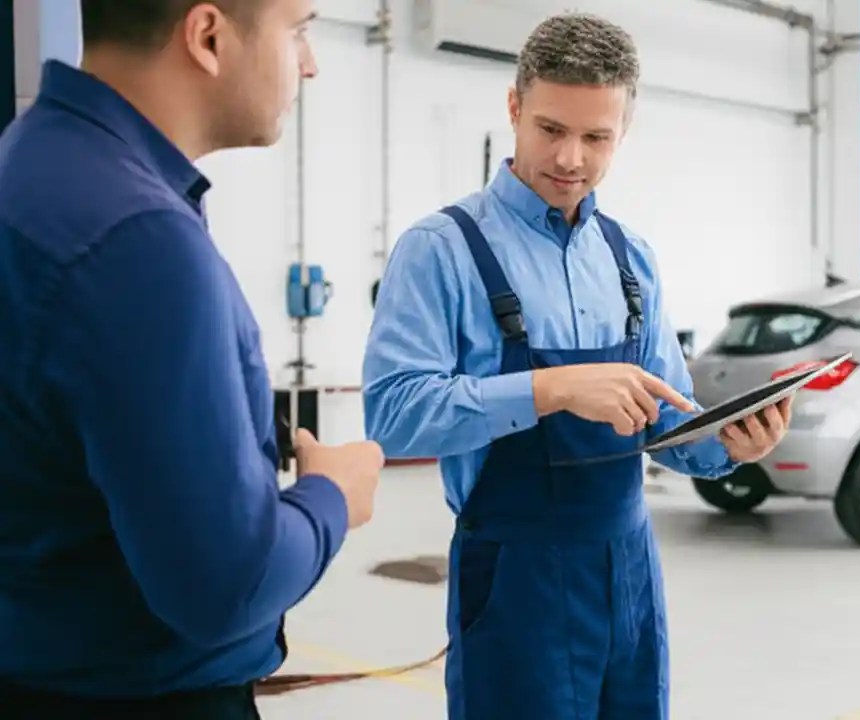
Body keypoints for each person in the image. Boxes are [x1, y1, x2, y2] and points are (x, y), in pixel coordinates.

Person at [363, 12, 792, 719]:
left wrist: (727, 447)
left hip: (629, 572)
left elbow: (669, 418)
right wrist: (551, 388)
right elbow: (393, 417)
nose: (571, 159)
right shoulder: (440, 249)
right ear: (514, 108)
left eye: (597, 138)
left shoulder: (631, 259)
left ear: (625, 130)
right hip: (514, 581)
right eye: (551, 129)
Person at [0, 1, 384, 717]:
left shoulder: (30, 167)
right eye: (298, 30)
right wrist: (333, 496)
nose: (310, 62)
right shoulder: (137, 239)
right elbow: (221, 587)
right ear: (208, 37)